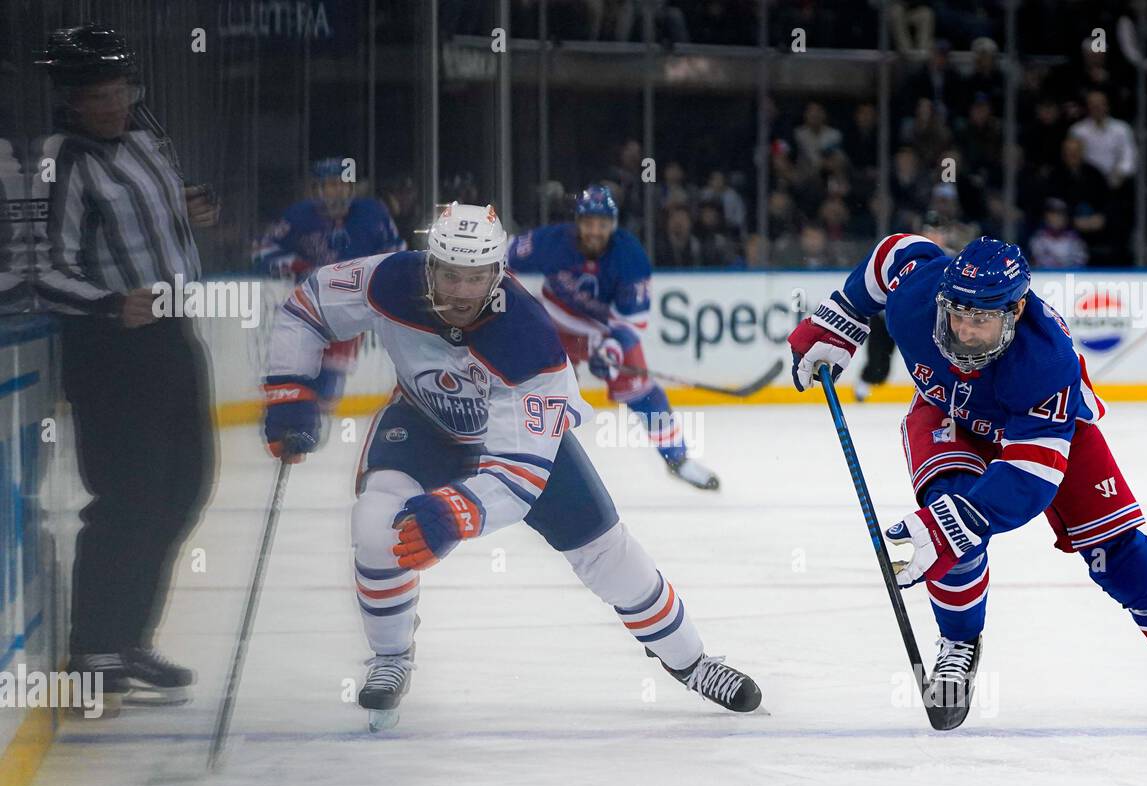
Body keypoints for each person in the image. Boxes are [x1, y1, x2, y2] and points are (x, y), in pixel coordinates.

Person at [261, 203, 761, 727]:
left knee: (608, 554)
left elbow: (519, 475)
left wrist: (455, 513)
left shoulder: (529, 341)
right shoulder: (389, 278)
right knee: (373, 527)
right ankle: (390, 658)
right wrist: (289, 388)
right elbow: (309, 306)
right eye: (449, 274)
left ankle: (693, 662)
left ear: (497, 274)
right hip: (422, 423)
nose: (459, 291)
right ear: (428, 264)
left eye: (475, 278)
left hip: (519, 447)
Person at [787, 232, 1147, 729]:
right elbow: (895, 252)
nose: (963, 332)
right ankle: (959, 643)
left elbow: (1029, 478)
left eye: (981, 319)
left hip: (1042, 432)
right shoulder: (918, 299)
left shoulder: (1045, 361)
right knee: (948, 511)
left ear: (1016, 311)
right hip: (950, 416)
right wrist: (843, 316)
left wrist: (946, 531)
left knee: (1121, 556)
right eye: (956, 313)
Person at [33, 25, 218, 704]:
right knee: (128, 497)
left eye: (118, 90)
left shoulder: (147, 139)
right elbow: (46, 273)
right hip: (112, 350)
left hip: (173, 337)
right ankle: (94, 650)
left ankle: (132, 637)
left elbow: (167, 219)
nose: (111, 104)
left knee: (183, 488)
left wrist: (195, 206)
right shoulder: (65, 161)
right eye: (96, 95)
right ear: (72, 100)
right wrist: (113, 305)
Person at [507, 185, 720, 489]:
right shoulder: (551, 241)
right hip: (554, 321)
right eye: (589, 223)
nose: (595, 230)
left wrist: (613, 349)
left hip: (604, 330)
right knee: (535, 390)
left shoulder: (630, 256)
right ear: (578, 222)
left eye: (602, 224)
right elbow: (503, 257)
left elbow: (631, 321)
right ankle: (521, 461)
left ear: (613, 224)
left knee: (644, 394)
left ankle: (679, 460)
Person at [253, 157, 406, 411]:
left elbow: (396, 251)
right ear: (317, 189)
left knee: (328, 388)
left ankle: (313, 411)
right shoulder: (298, 216)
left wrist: (379, 280)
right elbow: (262, 250)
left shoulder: (373, 213)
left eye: (344, 185)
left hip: (349, 309)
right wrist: (297, 266)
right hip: (310, 305)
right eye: (331, 185)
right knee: (300, 375)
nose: (338, 192)